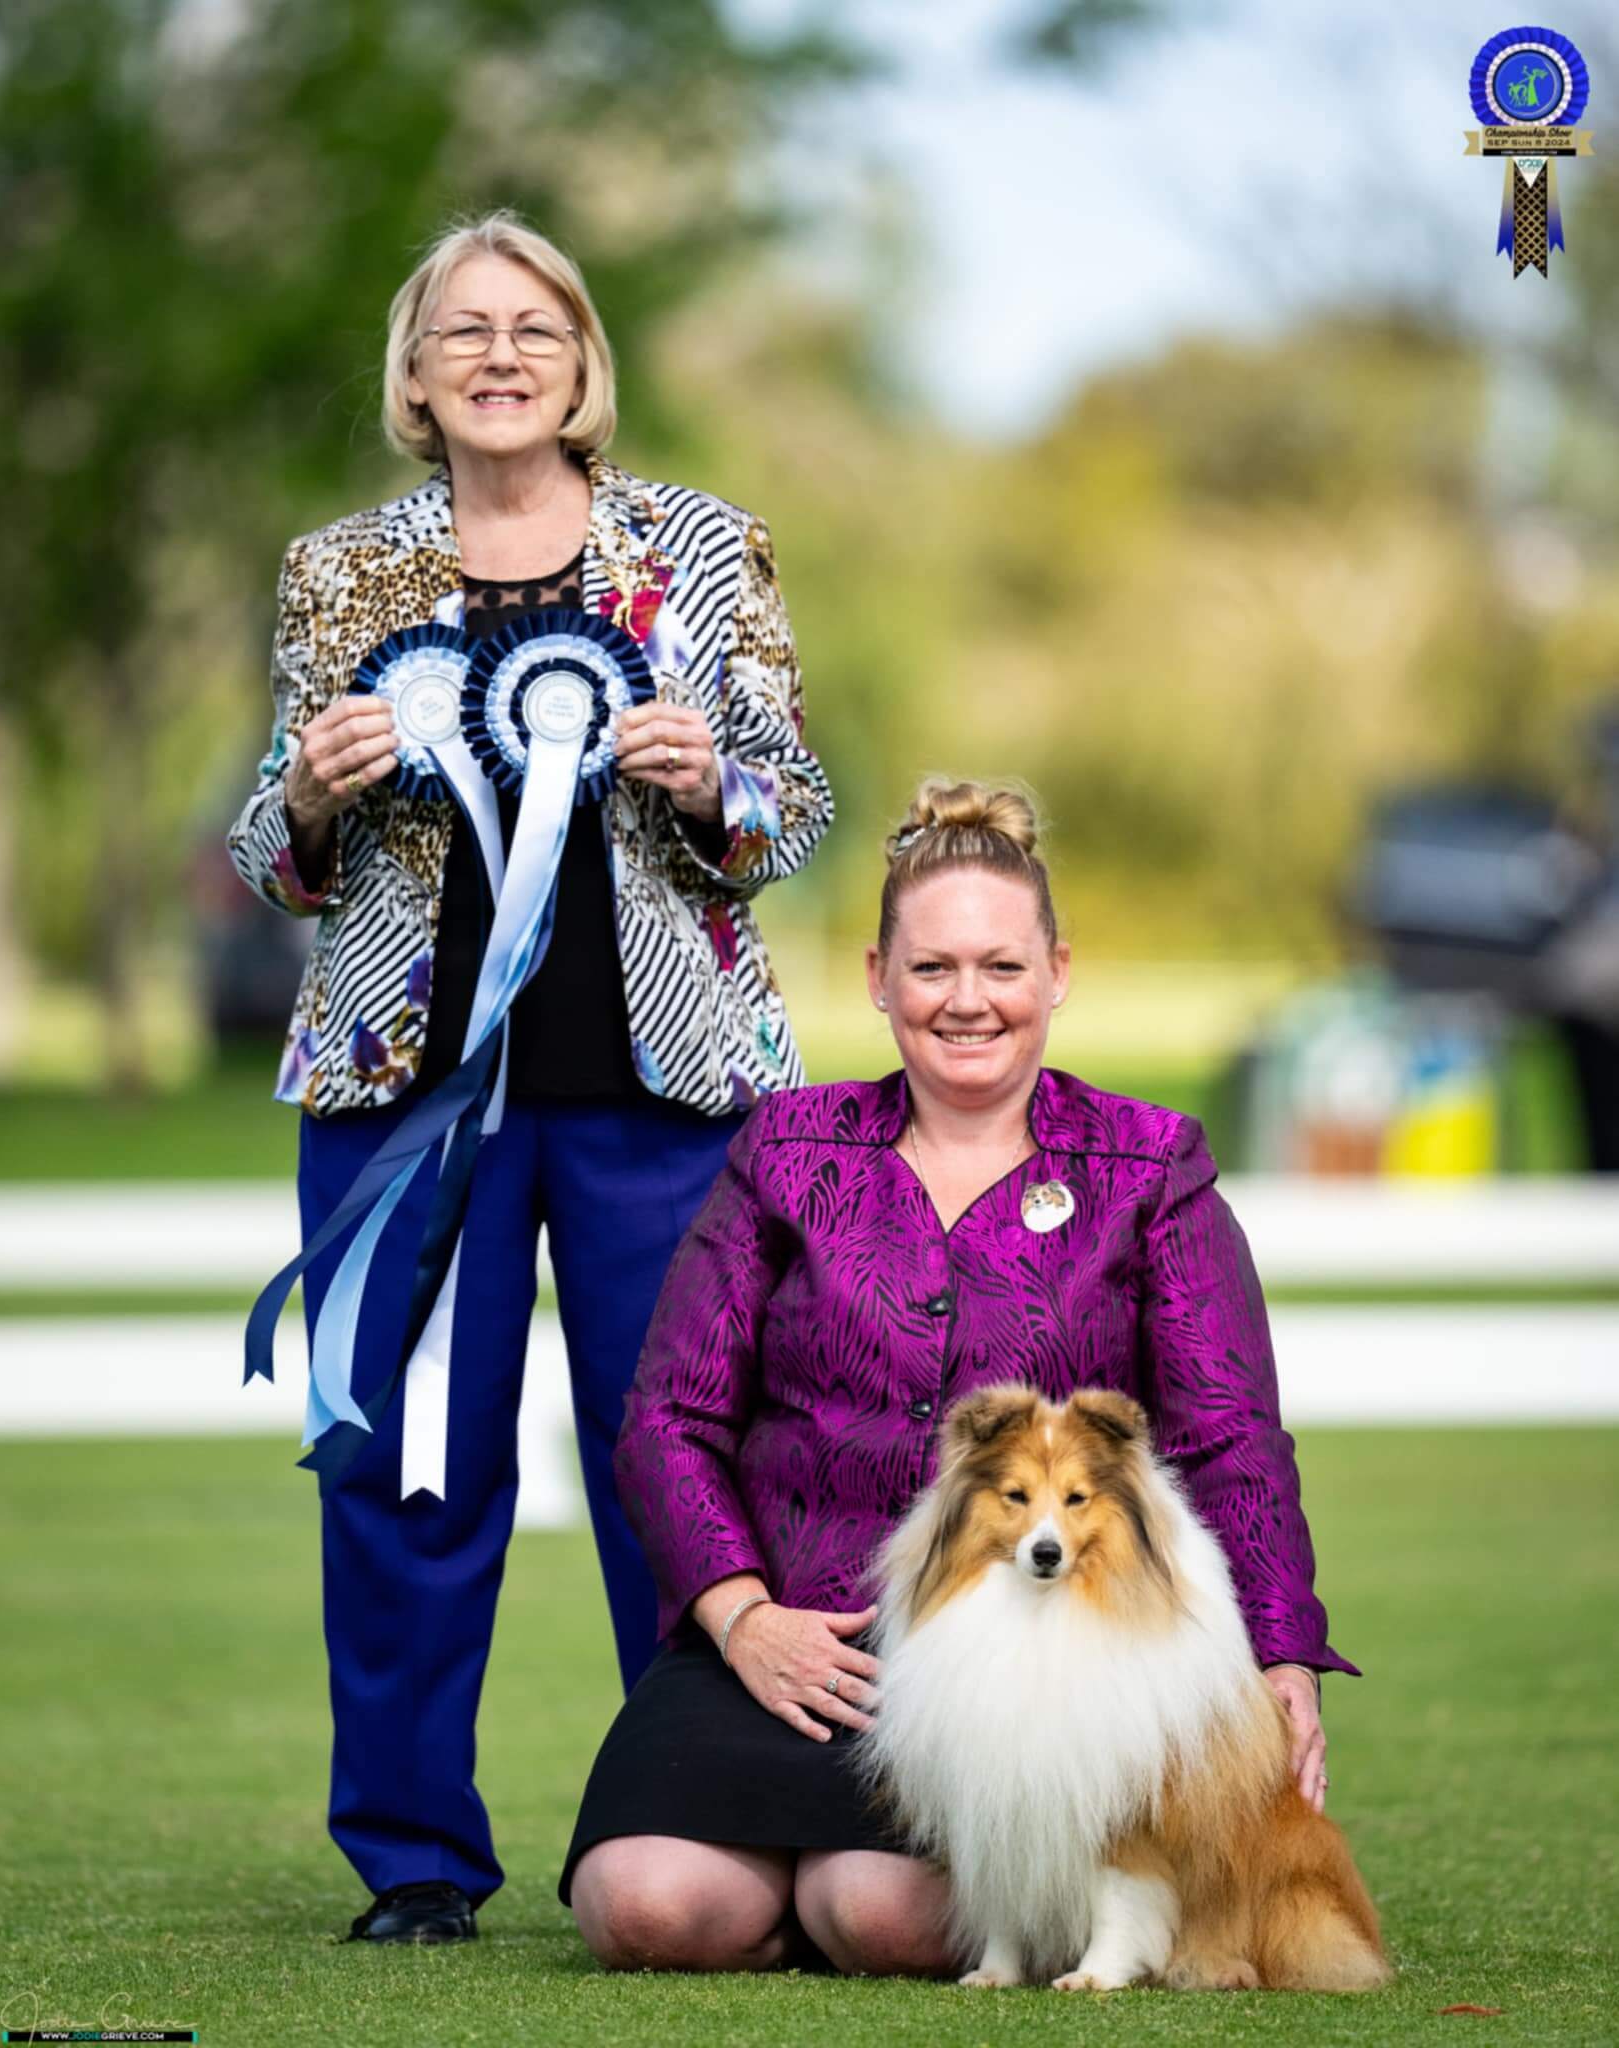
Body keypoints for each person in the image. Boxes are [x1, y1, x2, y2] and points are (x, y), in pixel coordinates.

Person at [226, 210, 831, 1944]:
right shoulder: (335, 570)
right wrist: (320, 794)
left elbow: (791, 803)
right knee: (412, 1470)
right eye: (460, 330)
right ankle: (415, 1859)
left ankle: (708, 1835)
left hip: (669, 1093)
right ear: (414, 375)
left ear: (581, 369)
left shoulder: (703, 547)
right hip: (402, 1103)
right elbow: (274, 845)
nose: (498, 354)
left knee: (684, 1467)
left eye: (534, 330)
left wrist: (720, 780)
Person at [562, 779, 1357, 1976]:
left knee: (880, 1912)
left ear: (1057, 971)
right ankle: (773, 1883)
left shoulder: (1150, 1166)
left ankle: (830, 1893)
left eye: (1001, 964)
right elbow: (667, 1419)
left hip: (1033, 1671)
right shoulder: (786, 1148)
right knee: (642, 1906)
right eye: (933, 968)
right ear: (879, 975)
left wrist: (1281, 1655)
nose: (968, 1000)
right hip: (791, 1636)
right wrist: (744, 1617)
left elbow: (1232, 1434)